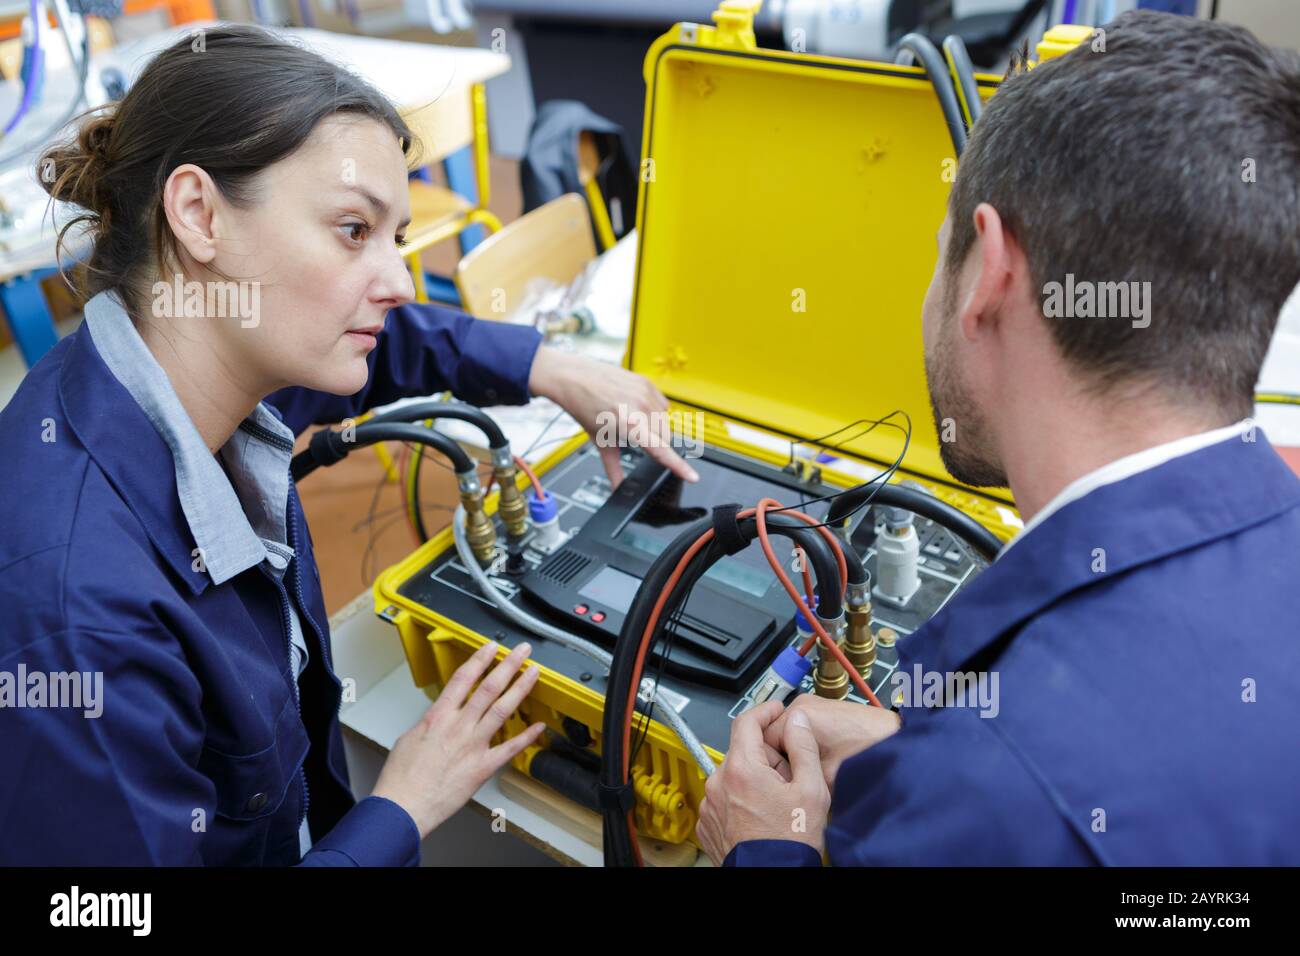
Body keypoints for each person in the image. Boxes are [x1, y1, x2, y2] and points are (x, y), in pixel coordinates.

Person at [0, 26, 695, 865]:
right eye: (354, 230)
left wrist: (549, 365)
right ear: (198, 215)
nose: (401, 280)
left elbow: (390, 346)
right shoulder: (83, 623)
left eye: (396, 236)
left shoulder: (193, 349)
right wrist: (399, 808)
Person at [697, 10, 1300, 866]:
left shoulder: (996, 794)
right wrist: (931, 748)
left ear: (988, 273)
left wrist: (763, 849)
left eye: (936, 255)